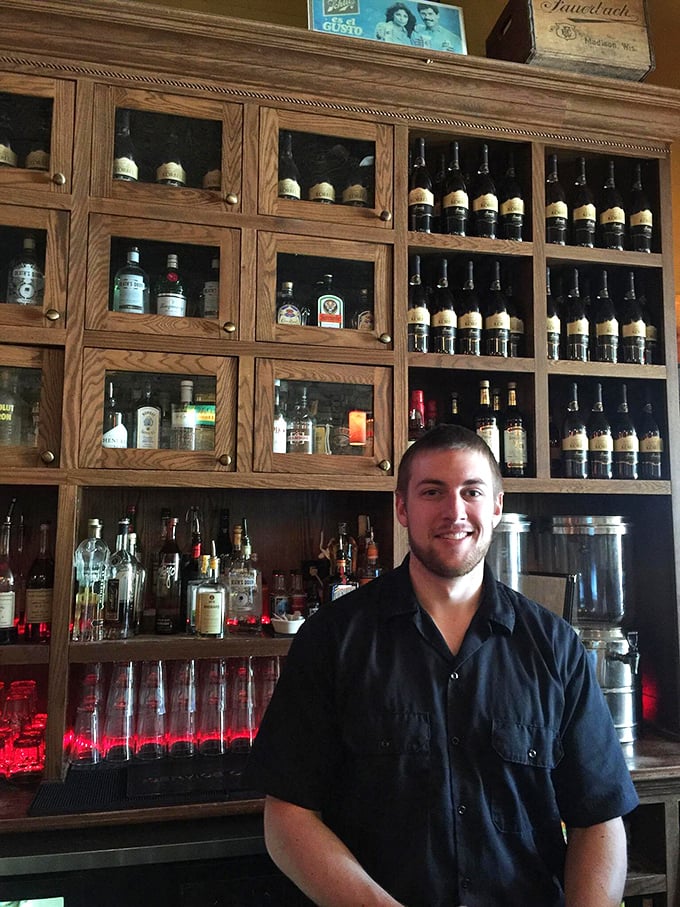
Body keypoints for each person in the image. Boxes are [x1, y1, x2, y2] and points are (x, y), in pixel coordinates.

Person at [245, 424, 639, 906]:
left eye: (472, 491)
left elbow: (598, 818)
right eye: (433, 492)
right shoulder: (331, 639)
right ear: (402, 508)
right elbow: (287, 817)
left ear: (496, 506)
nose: (455, 511)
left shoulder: (555, 645)